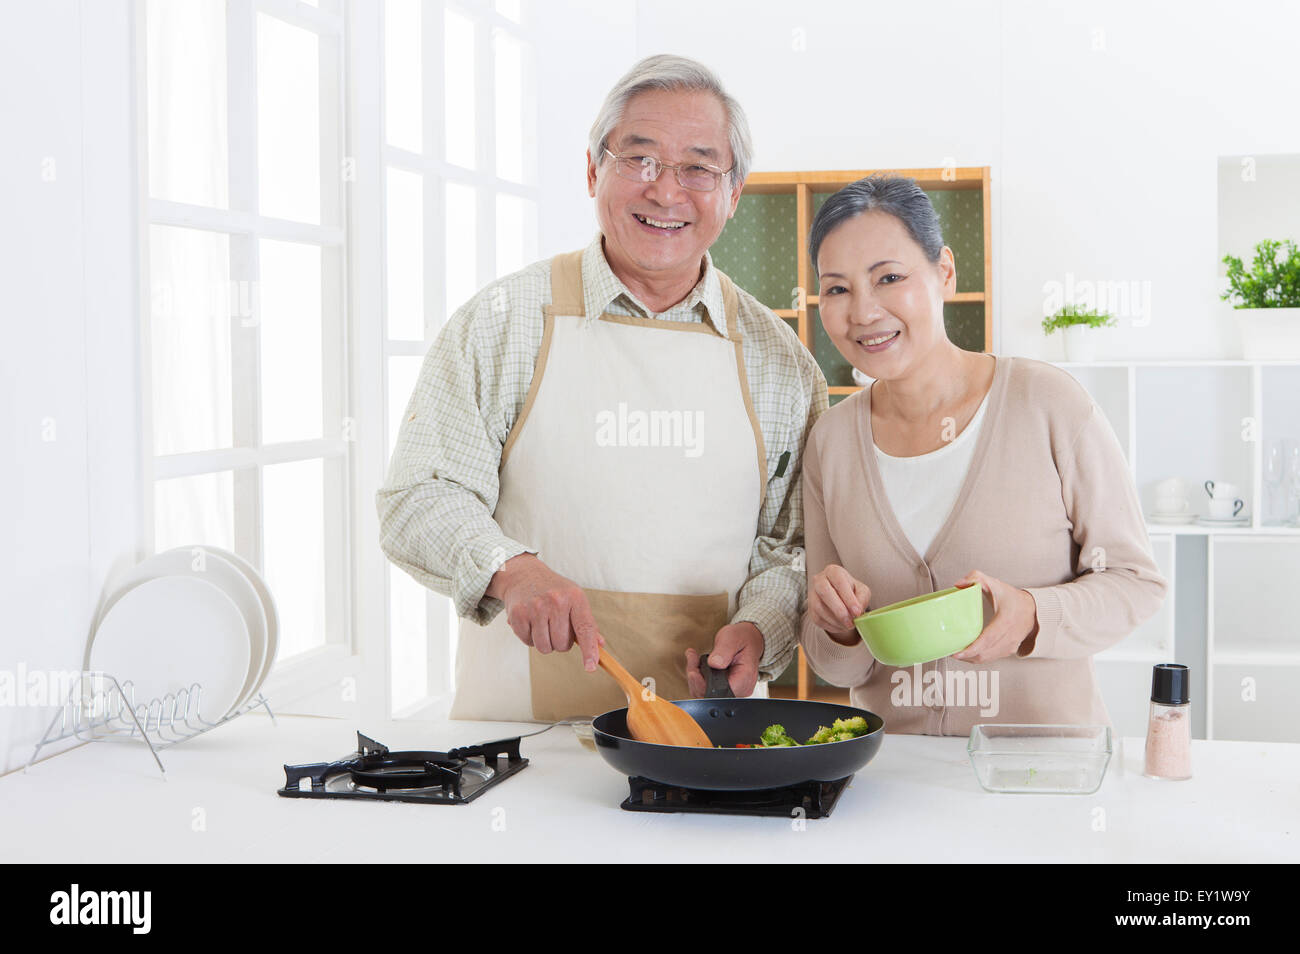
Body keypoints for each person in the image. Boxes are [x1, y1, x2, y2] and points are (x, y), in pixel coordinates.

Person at [378, 55, 827, 722]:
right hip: (521, 740)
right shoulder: (502, 324)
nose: (666, 192)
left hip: (702, 741)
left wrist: (760, 628)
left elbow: (790, 548)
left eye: (699, 169)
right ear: (593, 170)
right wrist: (511, 569)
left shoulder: (783, 365)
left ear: (733, 193)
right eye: (639, 159)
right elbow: (419, 496)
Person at [799, 175, 1167, 734]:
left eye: (889, 278)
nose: (864, 312)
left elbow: (1135, 583)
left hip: (1041, 774)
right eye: (837, 289)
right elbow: (832, 660)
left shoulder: (1048, 405)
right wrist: (837, 628)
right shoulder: (830, 442)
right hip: (896, 782)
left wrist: (1034, 614)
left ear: (944, 272)